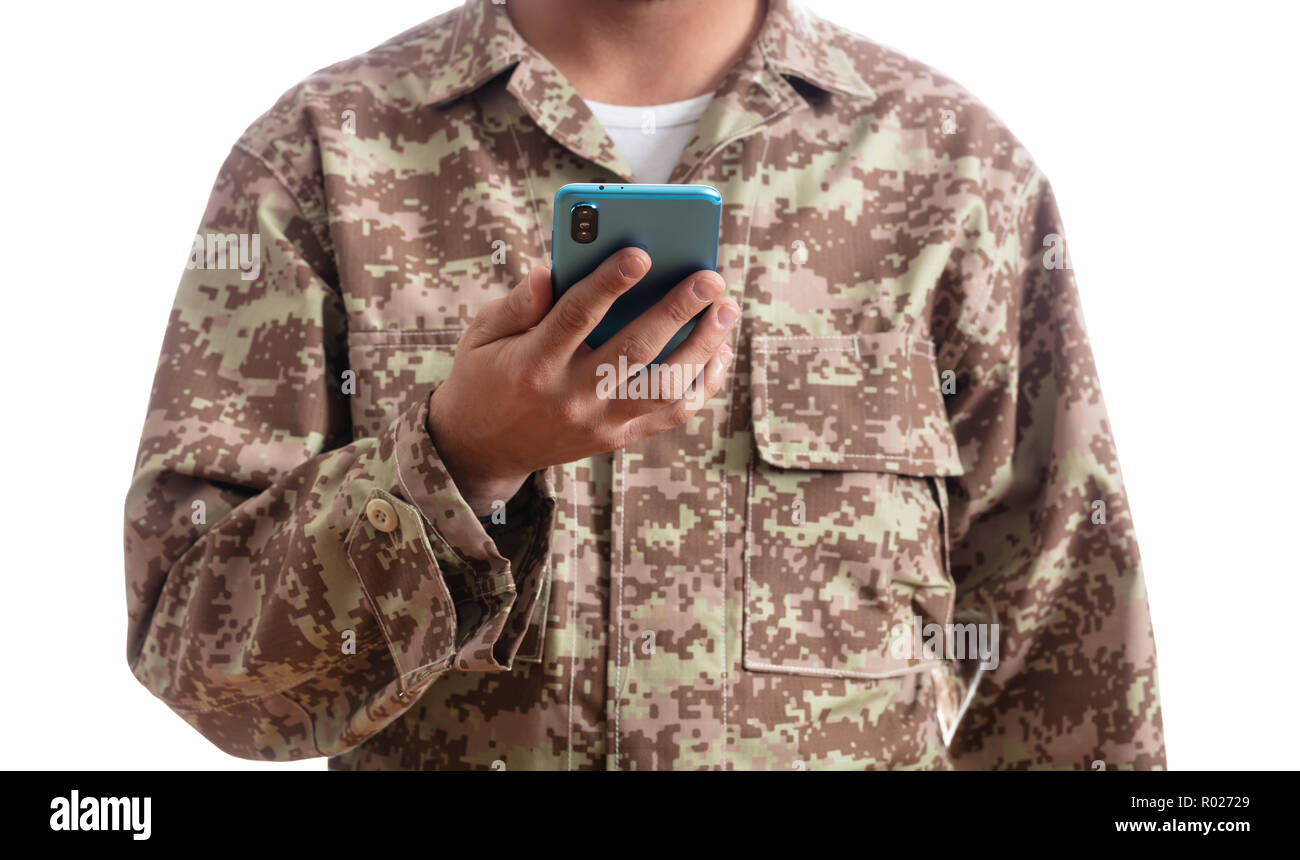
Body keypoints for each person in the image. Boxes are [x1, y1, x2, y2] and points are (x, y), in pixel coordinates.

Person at [124, 0, 1164, 769]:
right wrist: (457, 461)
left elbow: (1072, 672)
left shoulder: (956, 177)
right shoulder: (321, 160)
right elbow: (202, 663)